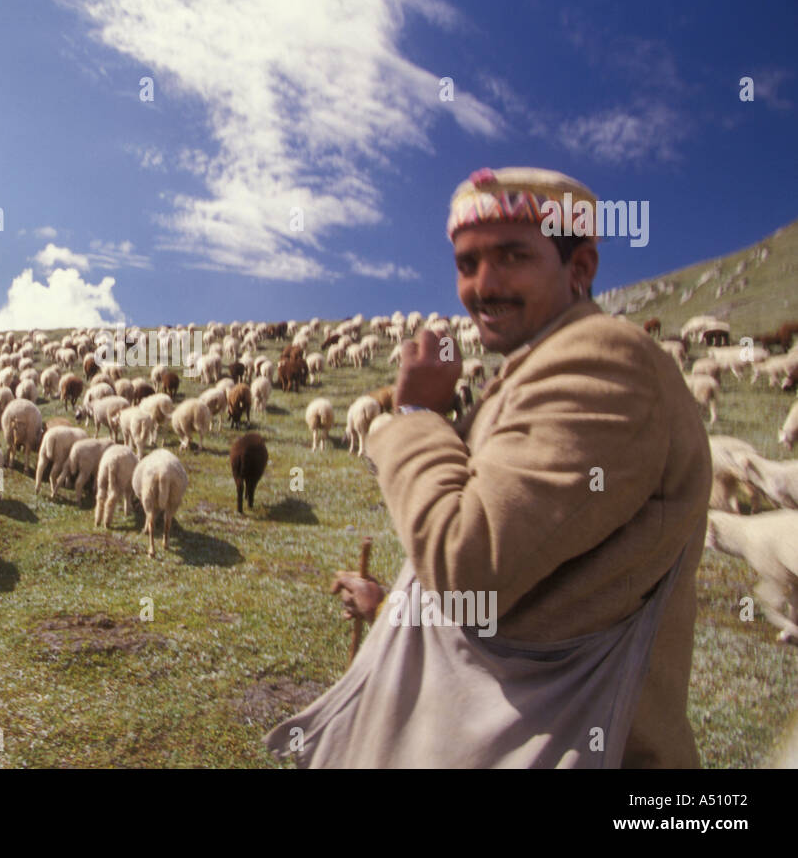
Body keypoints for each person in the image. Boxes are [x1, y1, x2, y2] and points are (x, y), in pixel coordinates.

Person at [277, 166, 711, 768]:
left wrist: (415, 413)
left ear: (579, 269)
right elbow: (541, 581)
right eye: (467, 263)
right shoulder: (535, 370)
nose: (484, 284)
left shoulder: (606, 362)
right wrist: (391, 602)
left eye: (512, 256)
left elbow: (470, 565)